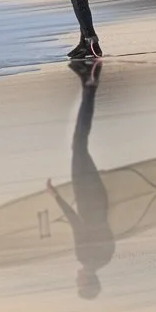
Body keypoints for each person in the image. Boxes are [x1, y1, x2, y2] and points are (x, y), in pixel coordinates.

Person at [46, 57, 113, 299]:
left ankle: (88, 83)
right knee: (79, 144)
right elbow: (75, 222)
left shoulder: (107, 256)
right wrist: (56, 197)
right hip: (84, 192)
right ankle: (89, 84)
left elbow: (106, 217)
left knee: (81, 144)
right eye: (80, 284)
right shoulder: (85, 257)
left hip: (96, 192)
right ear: (86, 281)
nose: (77, 279)